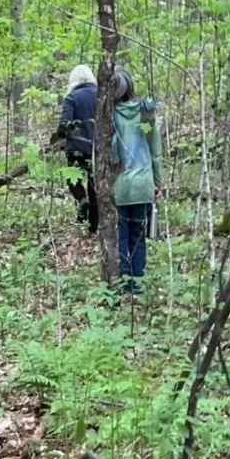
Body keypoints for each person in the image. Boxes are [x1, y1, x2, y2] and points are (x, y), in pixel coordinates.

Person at [110, 68, 162, 292]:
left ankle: (124, 283)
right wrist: (157, 181)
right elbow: (154, 149)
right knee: (138, 237)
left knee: (122, 235)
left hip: (119, 185)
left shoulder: (109, 116)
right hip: (142, 184)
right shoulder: (145, 112)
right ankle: (137, 285)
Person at [52, 64, 99, 231]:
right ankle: (94, 225)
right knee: (95, 184)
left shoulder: (71, 98)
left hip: (77, 147)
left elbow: (65, 126)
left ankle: (81, 200)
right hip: (97, 147)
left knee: (73, 179)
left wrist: (60, 134)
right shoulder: (101, 95)